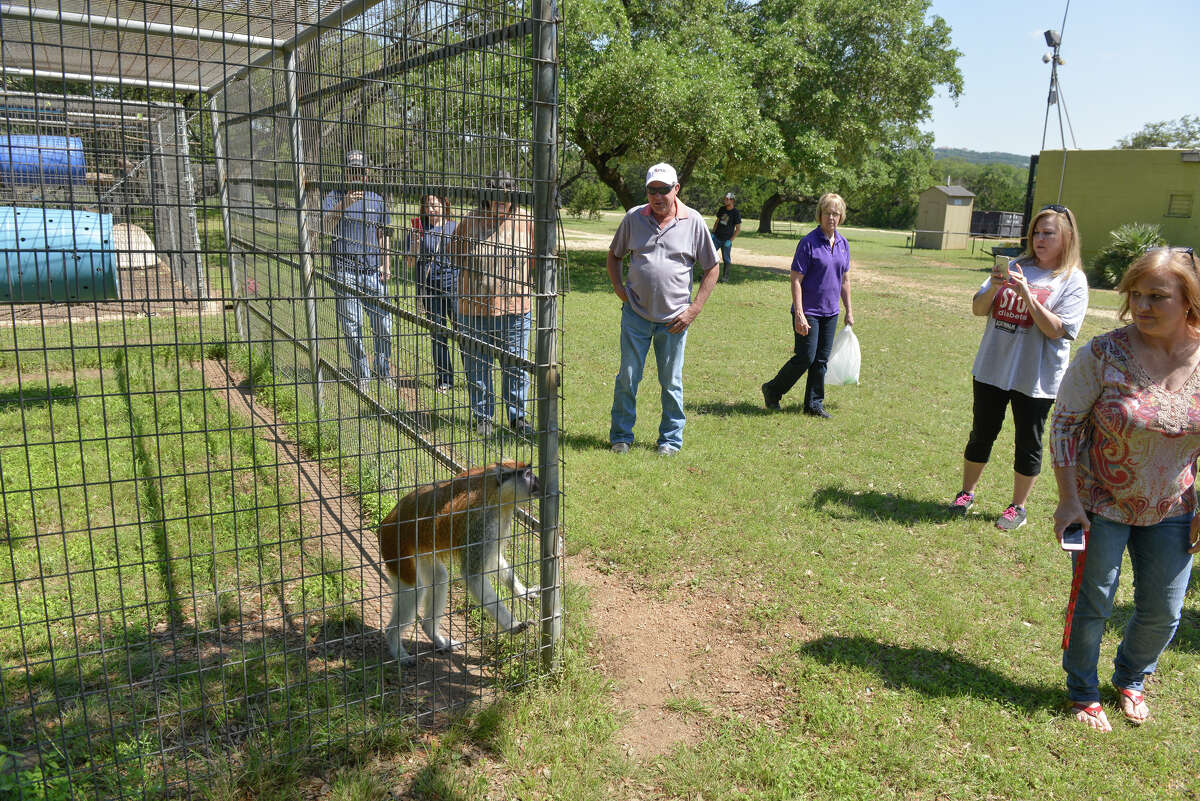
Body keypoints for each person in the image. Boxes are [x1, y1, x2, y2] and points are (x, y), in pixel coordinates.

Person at [1051, 246, 1200, 732]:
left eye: (1158, 296)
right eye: (1136, 295)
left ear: (1189, 300)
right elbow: (1065, 425)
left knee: (1165, 611)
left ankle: (1131, 677)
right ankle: (1082, 690)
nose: (1142, 306)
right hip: (1100, 503)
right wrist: (1069, 499)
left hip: (1174, 506)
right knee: (1095, 600)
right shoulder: (1104, 352)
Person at [948, 204, 1088, 530]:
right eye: (1036, 232)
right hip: (993, 368)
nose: (1039, 239)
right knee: (981, 433)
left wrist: (1026, 293)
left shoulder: (1072, 281)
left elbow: (1057, 329)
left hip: (1036, 377)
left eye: (1048, 233)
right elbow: (978, 308)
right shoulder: (1013, 265)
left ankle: (1017, 507)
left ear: (1066, 237)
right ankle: (966, 494)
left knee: (1028, 441)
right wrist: (996, 287)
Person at [607, 162, 720, 456]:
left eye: (664, 190)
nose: (657, 197)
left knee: (671, 382)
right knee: (628, 377)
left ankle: (670, 440)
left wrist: (693, 309)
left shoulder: (693, 221)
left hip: (675, 320)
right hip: (636, 315)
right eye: (652, 190)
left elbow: (712, 268)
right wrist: (620, 290)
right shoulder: (633, 217)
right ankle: (621, 436)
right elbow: (614, 255)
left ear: (676, 189)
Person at [452, 171, 535, 437]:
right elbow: (454, 254)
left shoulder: (526, 221)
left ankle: (518, 418)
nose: (502, 199)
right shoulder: (470, 220)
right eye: (496, 193)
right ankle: (483, 418)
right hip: (474, 308)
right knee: (478, 366)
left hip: (515, 308)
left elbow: (536, 258)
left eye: (507, 194)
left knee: (516, 365)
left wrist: (525, 285)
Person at [760, 192, 855, 419]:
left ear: (841, 216)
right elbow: (796, 279)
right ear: (819, 215)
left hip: (830, 312)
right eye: (827, 213)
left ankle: (813, 404)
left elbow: (845, 279)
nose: (831, 217)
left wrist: (849, 310)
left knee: (821, 360)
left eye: (835, 213)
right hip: (809, 311)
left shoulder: (843, 244)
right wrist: (799, 313)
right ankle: (772, 389)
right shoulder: (808, 243)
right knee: (806, 357)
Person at [322, 150, 393, 388]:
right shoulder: (334, 196)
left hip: (373, 271)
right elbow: (325, 226)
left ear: (366, 173)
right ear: (345, 172)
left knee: (384, 324)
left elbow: (383, 234)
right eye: (352, 171)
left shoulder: (377, 198)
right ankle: (362, 374)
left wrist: (387, 264)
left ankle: (383, 371)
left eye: (360, 172)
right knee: (352, 326)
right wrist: (344, 203)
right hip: (345, 270)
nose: (356, 176)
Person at [409, 194, 457, 392]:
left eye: (435, 205)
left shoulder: (454, 227)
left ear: (445, 206)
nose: (432, 210)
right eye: (428, 206)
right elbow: (410, 262)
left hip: (454, 287)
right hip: (430, 288)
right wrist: (414, 244)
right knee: (438, 334)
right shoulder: (418, 228)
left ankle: (474, 378)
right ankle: (444, 379)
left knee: (463, 332)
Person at [711, 192, 741, 283]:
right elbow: (717, 221)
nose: (725, 200)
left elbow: (738, 229)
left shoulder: (736, 213)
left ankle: (725, 278)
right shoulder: (722, 209)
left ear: (732, 201)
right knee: (710, 256)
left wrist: (730, 241)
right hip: (716, 238)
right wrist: (713, 234)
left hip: (726, 240)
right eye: (725, 199)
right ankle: (707, 274)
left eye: (727, 199)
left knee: (726, 259)